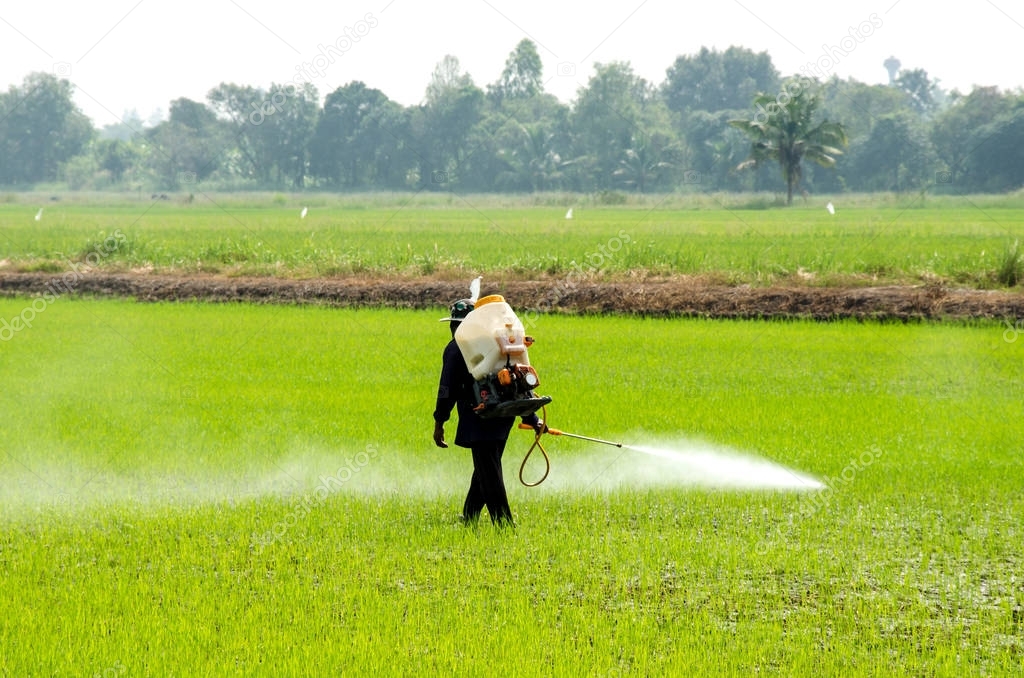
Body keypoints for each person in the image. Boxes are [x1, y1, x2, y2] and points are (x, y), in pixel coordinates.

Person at [433, 298, 542, 527]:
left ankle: (504, 525)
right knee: (486, 468)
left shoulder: (456, 348)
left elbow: (447, 389)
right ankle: (469, 517)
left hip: (479, 416)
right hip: (504, 415)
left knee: (489, 473)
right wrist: (531, 418)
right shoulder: (497, 343)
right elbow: (517, 382)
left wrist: (439, 421)